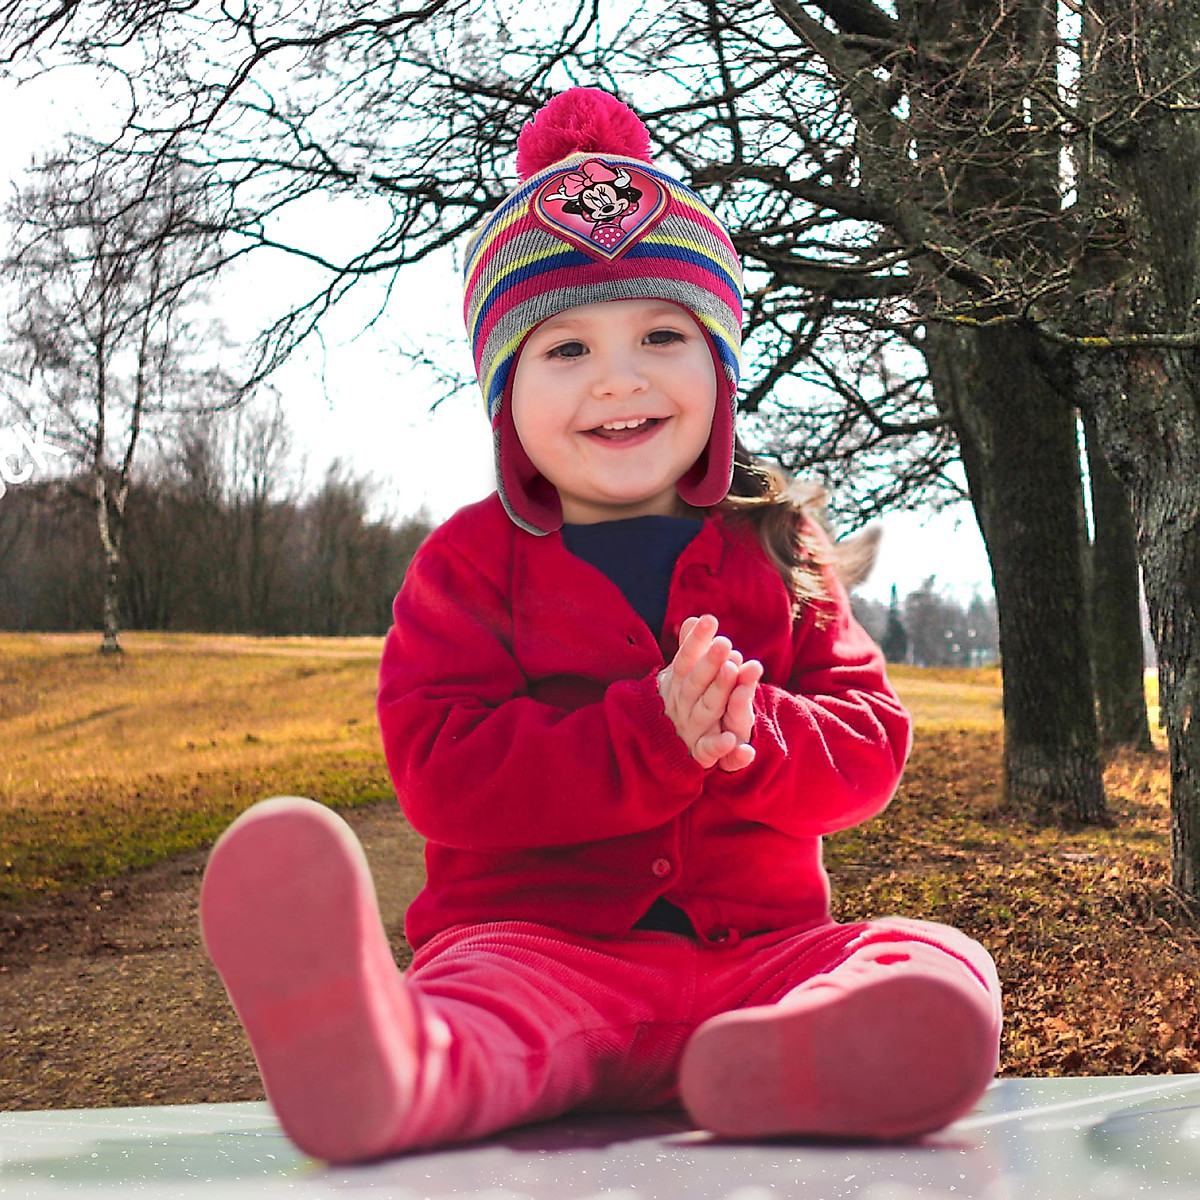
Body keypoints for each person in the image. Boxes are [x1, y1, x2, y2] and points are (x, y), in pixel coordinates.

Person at [200, 87, 1002, 1165]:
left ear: (718, 371)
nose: (618, 376)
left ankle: (801, 1060)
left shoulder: (781, 545)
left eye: (662, 334)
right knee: (483, 1012)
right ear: (506, 394)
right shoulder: (468, 567)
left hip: (766, 966)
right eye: (564, 349)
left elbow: (868, 747)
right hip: (540, 953)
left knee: (933, 955)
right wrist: (651, 736)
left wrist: (744, 732)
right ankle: (384, 1069)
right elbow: (444, 767)